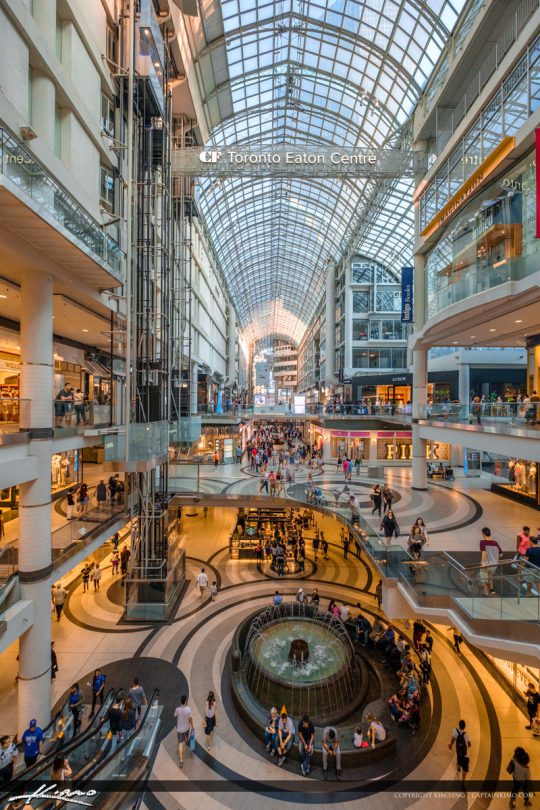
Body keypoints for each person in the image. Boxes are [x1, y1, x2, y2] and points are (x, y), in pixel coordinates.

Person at [479, 527, 502, 596]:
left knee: (484, 578)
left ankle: (486, 593)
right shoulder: (495, 543)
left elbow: (484, 552)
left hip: (486, 564)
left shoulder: (482, 542)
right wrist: (494, 558)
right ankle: (492, 590)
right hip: (494, 565)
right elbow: (501, 554)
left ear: (483, 534)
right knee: (490, 576)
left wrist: (482, 563)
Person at [448, 719, 471, 783]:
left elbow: (452, 740)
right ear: (464, 726)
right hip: (465, 755)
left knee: (458, 759)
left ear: (459, 725)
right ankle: (463, 781)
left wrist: (451, 745)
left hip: (459, 752)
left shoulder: (455, 731)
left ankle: (458, 766)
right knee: (465, 769)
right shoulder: (467, 735)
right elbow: (469, 745)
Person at [174, 695, 193, 768]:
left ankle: (181, 760)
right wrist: (192, 726)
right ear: (186, 701)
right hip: (186, 727)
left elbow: (175, 715)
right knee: (186, 735)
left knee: (180, 744)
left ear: (180, 701)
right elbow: (190, 719)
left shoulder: (177, 709)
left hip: (179, 729)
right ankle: (187, 741)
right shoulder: (189, 709)